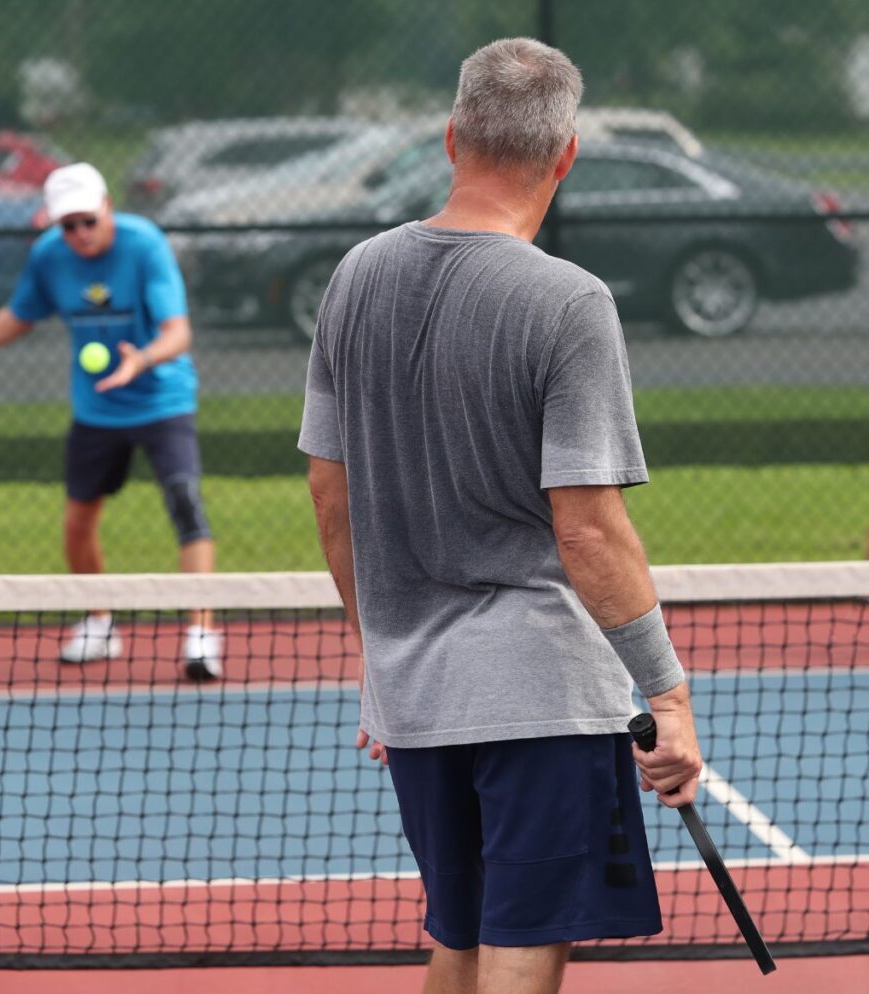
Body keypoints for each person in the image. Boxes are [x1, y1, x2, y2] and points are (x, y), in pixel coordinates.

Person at [299, 38, 703, 994]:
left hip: (415, 694)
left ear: (451, 138)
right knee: (520, 946)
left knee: (461, 937)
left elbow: (329, 490)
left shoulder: (355, 275)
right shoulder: (570, 301)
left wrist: (379, 648)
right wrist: (669, 698)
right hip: (541, 693)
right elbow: (587, 527)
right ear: (566, 155)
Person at [0, 162, 222, 679]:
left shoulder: (145, 245)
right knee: (77, 523)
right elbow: (18, 317)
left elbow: (178, 333)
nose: (78, 234)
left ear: (108, 208)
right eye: (67, 225)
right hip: (96, 409)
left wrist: (141, 360)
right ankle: (99, 623)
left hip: (162, 400)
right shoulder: (50, 255)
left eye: (87, 221)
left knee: (185, 503)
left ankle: (202, 636)